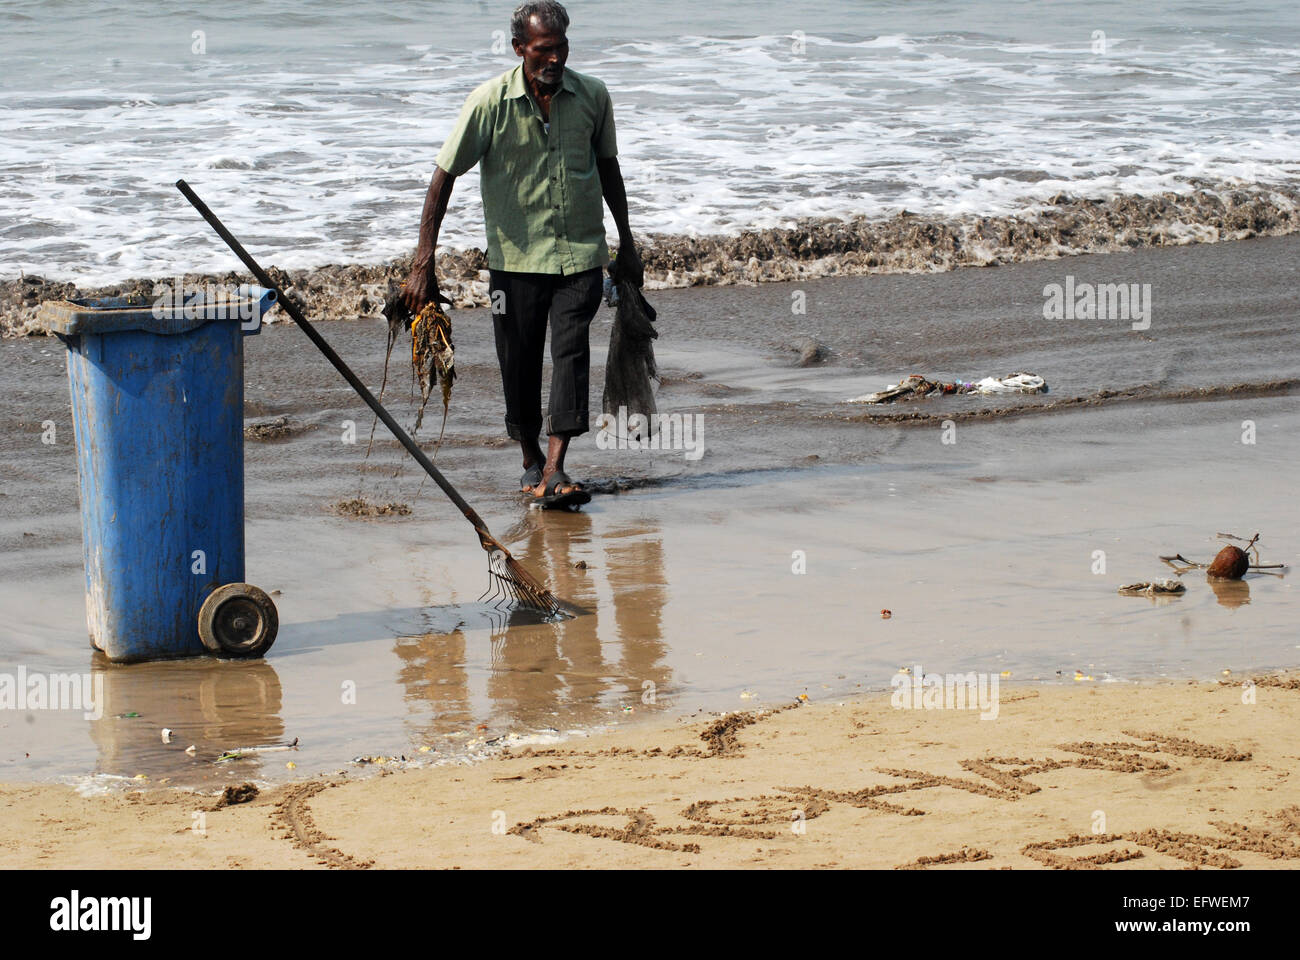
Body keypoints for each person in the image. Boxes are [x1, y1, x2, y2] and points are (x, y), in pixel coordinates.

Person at [401, 0, 642, 508]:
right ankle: (531, 458)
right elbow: (443, 176)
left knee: (571, 353)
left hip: (580, 253)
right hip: (513, 261)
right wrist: (424, 258)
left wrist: (627, 240)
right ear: (519, 50)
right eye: (543, 50)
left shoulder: (593, 97)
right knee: (519, 362)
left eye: (561, 47)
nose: (554, 59)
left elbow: (609, 171)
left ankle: (554, 469)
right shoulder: (488, 103)